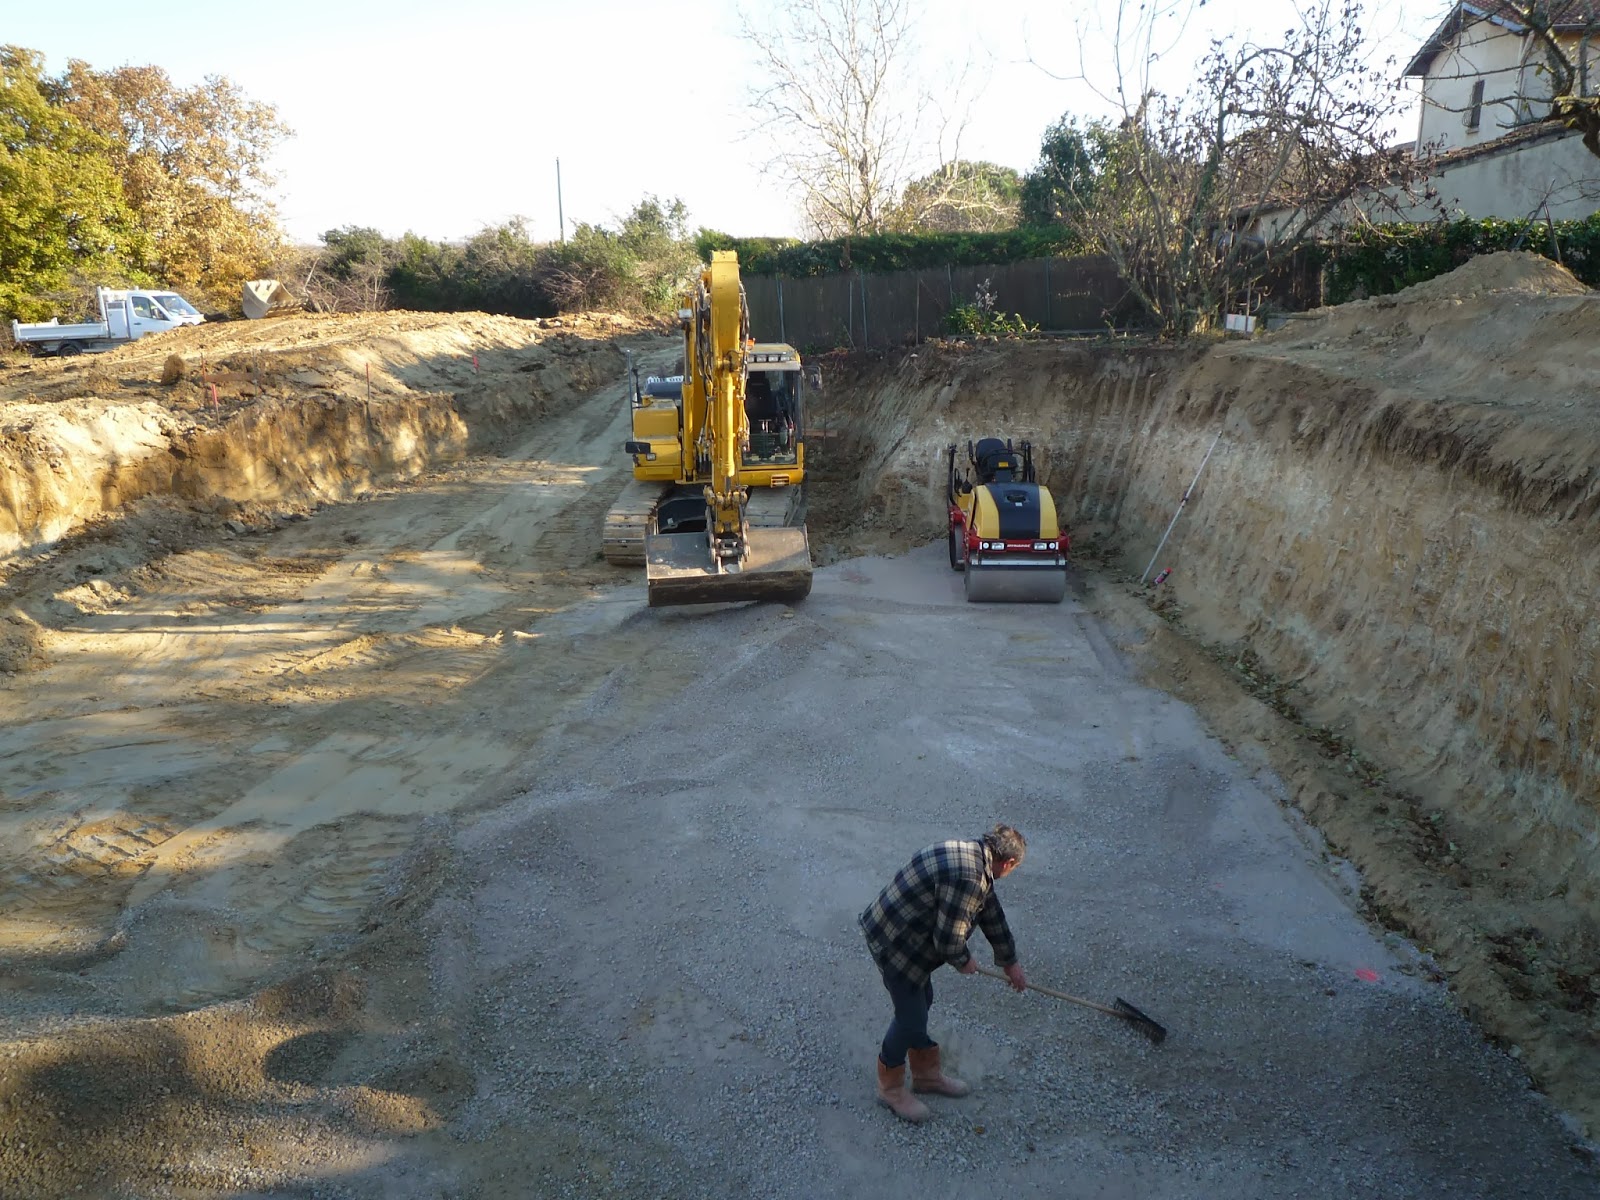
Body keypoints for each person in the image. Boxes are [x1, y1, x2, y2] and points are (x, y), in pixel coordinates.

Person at [858, 824, 1029, 1122]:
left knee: (922, 1002)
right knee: (910, 1018)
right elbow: (948, 940)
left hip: (903, 932)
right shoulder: (970, 877)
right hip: (893, 942)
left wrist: (1009, 962)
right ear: (1009, 862)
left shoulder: (976, 858)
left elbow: (990, 911)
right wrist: (963, 960)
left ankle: (926, 1076)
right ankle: (890, 1088)